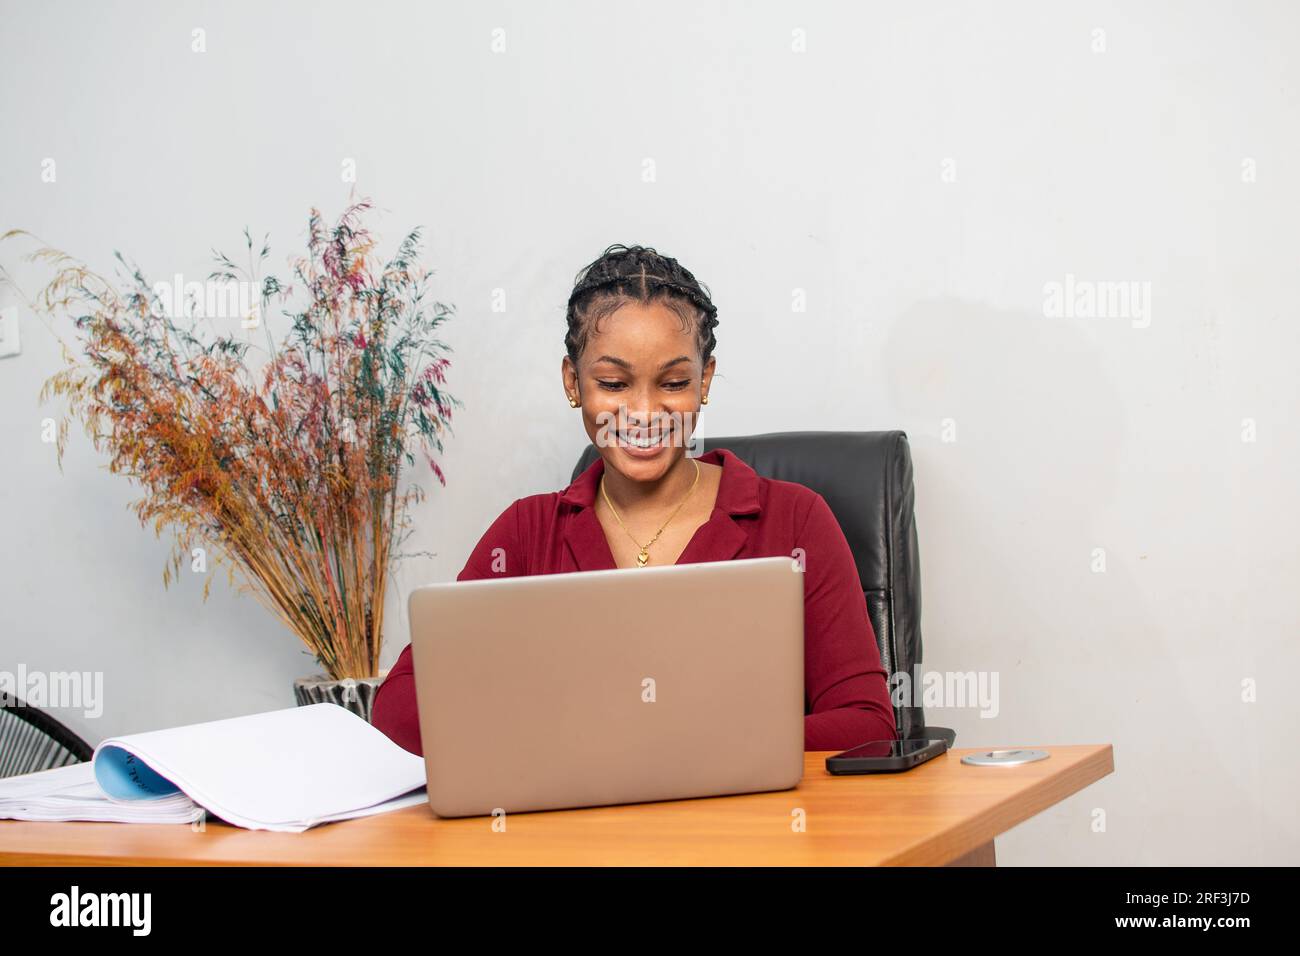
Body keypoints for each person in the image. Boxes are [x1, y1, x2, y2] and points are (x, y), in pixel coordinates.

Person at [371, 244, 897, 754]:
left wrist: (677, 743)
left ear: (704, 380)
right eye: (613, 383)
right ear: (573, 382)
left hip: (745, 836)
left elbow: (866, 725)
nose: (644, 412)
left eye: (673, 382)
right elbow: (399, 708)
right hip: (575, 837)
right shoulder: (528, 533)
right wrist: (570, 740)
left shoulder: (794, 521)